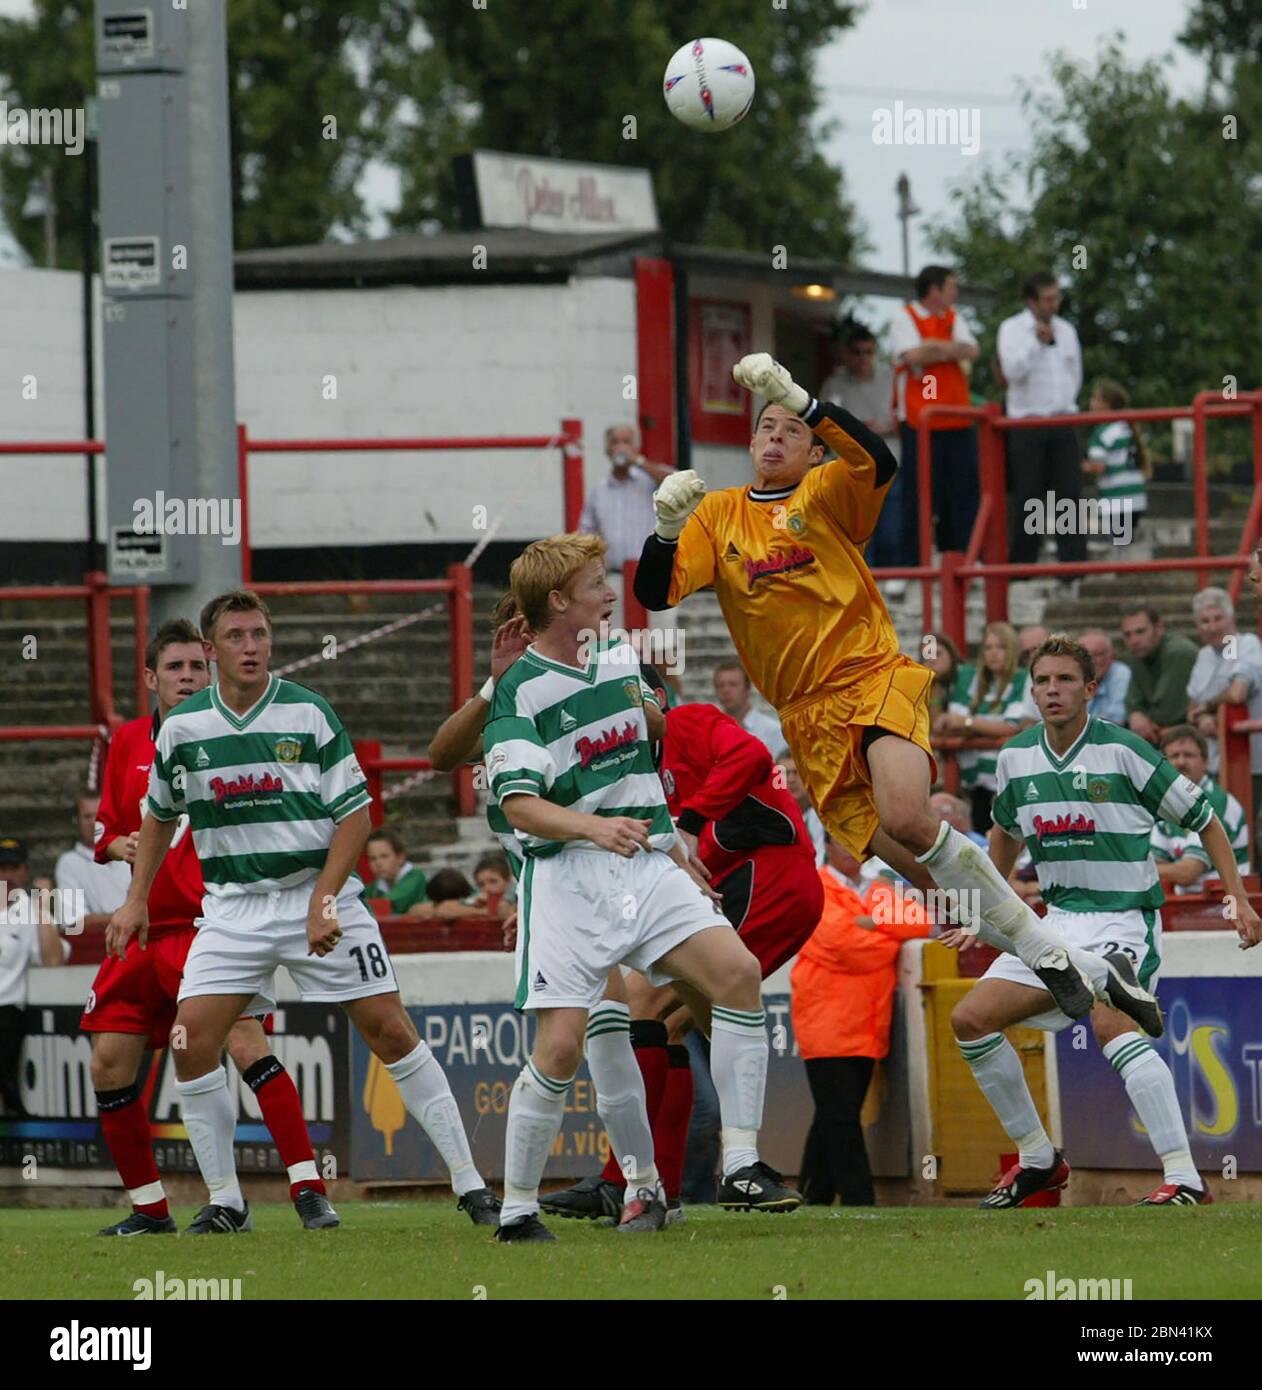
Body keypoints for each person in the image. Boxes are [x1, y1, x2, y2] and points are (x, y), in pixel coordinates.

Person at [634, 350, 1163, 1035]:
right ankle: (1074, 965)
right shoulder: (719, 517)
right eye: (765, 426)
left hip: (871, 675)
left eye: (789, 429)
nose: (774, 437)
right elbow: (654, 591)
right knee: (937, 888)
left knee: (910, 814)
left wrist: (803, 398)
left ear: (811, 447)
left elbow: (879, 462)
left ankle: (1048, 952)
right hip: (806, 718)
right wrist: (666, 530)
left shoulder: (824, 492)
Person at [106, 589, 499, 1234]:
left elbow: (356, 815)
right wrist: (135, 900)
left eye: (259, 633)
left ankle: (470, 1184)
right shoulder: (182, 729)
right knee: (189, 1042)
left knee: (390, 1030)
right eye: (235, 636)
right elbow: (157, 814)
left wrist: (322, 902)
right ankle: (227, 1201)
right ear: (211, 650)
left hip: (315, 895)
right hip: (232, 909)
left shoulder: (308, 712)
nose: (251, 646)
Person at [483, 533, 801, 1241]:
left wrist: (676, 847)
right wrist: (596, 829)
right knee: (563, 1047)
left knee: (737, 974)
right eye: (596, 583)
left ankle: (741, 1162)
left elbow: (650, 750)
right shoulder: (518, 692)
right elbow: (518, 805)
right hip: (568, 878)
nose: (609, 592)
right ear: (559, 601)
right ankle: (517, 1209)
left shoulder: (621, 658)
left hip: (648, 861)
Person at [948, 634, 1260, 1209]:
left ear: (1091, 689)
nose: (1052, 691)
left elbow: (1206, 818)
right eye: (1042, 681)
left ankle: (1184, 1175)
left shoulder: (1124, 751)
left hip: (1122, 922)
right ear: (1031, 689)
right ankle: (1039, 1160)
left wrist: (1238, 897)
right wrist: (982, 907)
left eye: (1065, 680)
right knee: (970, 1019)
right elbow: (1003, 835)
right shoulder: (1016, 757)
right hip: (1054, 923)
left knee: (1113, 1026)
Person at [86, 617, 334, 1235]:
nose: (188, 677)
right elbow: (107, 830)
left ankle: (307, 1189)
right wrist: (129, 855)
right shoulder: (127, 745)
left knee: (247, 1046)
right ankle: (150, 1209)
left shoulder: (228, 733)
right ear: (150, 678)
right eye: (175, 668)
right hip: (143, 925)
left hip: (209, 925)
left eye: (197, 666)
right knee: (108, 1063)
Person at [542, 692, 824, 1220]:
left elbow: (754, 757)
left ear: (650, 700)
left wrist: (691, 820)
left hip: (768, 879)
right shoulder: (622, 766)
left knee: (646, 1002)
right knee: (663, 1021)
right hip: (730, 887)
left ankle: (641, 1178)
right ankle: (661, 1188)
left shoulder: (688, 722)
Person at [792, 837, 930, 1206]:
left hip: (865, 1024)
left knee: (835, 1115)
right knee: (840, 1117)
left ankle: (813, 1196)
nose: (853, 853)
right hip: (828, 1022)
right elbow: (843, 946)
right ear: (829, 847)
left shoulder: (876, 887)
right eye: (844, 845)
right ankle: (858, 1198)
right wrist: (882, 934)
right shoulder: (817, 886)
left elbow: (918, 923)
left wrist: (867, 923)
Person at [888, 265, 981, 564]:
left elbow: (971, 351)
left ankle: (964, 558)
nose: (955, 293)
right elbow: (912, 355)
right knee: (918, 495)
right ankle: (911, 564)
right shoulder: (905, 317)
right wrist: (945, 350)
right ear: (934, 289)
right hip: (920, 419)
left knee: (964, 492)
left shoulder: (955, 317)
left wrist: (932, 347)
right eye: (951, 287)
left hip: (957, 417)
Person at [997, 271, 1085, 579]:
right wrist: (1037, 342)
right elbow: (1012, 371)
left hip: (1063, 420)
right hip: (1028, 422)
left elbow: (1075, 374)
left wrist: (1065, 405)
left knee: (1069, 495)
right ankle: (1023, 567)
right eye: (1048, 299)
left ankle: (1073, 565)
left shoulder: (1067, 330)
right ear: (1032, 301)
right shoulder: (1011, 329)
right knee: (1029, 496)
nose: (1054, 304)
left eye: (1056, 297)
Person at [820, 320, 904, 596]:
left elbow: (909, 418)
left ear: (875, 352)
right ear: (846, 354)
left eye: (867, 352)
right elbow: (822, 422)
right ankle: (862, 584)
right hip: (850, 467)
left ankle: (892, 580)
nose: (862, 358)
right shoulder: (834, 384)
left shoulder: (892, 379)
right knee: (856, 530)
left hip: (888, 462)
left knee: (890, 528)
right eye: (856, 352)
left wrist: (885, 426)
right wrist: (856, 428)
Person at [578, 423, 677, 642]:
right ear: (606, 450)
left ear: (636, 446)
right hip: (615, 581)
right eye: (615, 442)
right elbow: (585, 534)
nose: (621, 448)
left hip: (655, 577)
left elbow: (679, 482)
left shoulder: (651, 480)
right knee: (618, 648)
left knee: (661, 652)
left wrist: (638, 461)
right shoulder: (599, 491)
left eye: (626, 442)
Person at [935, 621, 1034, 833]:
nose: (993, 654)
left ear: (1012, 649)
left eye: (1000, 647)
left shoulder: (1023, 679)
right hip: (974, 780)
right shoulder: (971, 678)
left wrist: (969, 723)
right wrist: (976, 725)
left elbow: (1011, 725)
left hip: (1007, 780)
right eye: (988, 648)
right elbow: (951, 722)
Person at [0, 836, 69, 1117]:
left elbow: (53, 960)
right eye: (2, 868)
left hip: (6, 1009)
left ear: (25, 871)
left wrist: (42, 907)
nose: (7, 875)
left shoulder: (29, 911)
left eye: (14, 868)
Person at [1185, 585, 1262, 816]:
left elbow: (1237, 693)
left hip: (1252, 763)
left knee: (1245, 829)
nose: (1212, 626)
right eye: (1205, 621)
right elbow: (1190, 710)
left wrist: (1207, 708)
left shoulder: (1247, 644)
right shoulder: (1203, 655)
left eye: (1218, 618)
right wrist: (1202, 718)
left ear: (1231, 618)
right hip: (1215, 763)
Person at [1150, 725, 1251, 894]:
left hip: (1225, 904)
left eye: (1189, 755)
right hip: (1189, 906)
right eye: (1174, 756)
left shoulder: (1215, 801)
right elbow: (1157, 861)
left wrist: (1136, 868)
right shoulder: (1167, 802)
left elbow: (1188, 872)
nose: (1181, 762)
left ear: (1206, 761)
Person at [53, 789, 130, 933]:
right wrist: (130, 915)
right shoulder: (68, 863)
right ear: (76, 820)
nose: (94, 822)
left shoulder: (130, 852)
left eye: (100, 815)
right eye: (87, 816)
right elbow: (75, 922)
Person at [1081, 378, 1150, 538]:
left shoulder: (1102, 433)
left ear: (1105, 404)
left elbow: (1099, 467)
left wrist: (1081, 466)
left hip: (1116, 499)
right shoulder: (1127, 427)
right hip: (1137, 498)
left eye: (1094, 399)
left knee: (1119, 545)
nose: (1091, 403)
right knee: (1126, 542)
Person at [1121, 605, 1200, 744]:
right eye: (1127, 634)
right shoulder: (1140, 655)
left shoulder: (1178, 653)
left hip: (1189, 736)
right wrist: (1135, 715)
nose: (1134, 640)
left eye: (1140, 632)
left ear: (1159, 629)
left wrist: (1142, 721)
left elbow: (1167, 714)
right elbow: (1132, 702)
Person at [712, 658, 784, 756]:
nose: (726, 690)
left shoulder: (773, 730)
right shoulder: (711, 732)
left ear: (747, 688)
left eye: (733, 684)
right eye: (720, 685)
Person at [361, 828, 428, 914]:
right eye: (372, 858)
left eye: (384, 856)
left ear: (400, 857)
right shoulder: (373, 888)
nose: (378, 863)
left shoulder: (415, 877)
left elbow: (391, 904)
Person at [1079, 628, 1131, 725]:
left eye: (1101, 654)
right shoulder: (1072, 677)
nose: (1096, 661)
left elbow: (1115, 719)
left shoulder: (1121, 673)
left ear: (1112, 654)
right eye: (1089, 656)